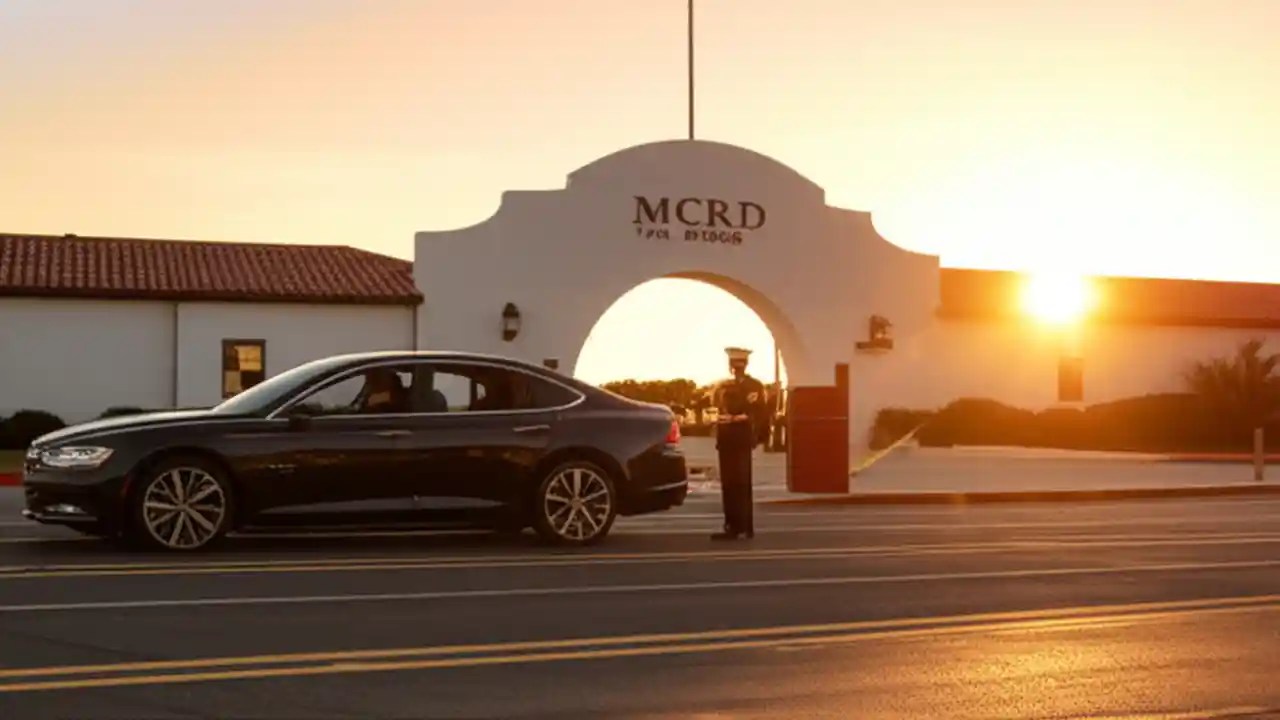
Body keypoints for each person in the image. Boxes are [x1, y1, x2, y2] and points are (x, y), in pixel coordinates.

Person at [708, 346, 768, 540]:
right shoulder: (723, 386)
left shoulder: (754, 386)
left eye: (739, 365)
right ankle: (731, 525)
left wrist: (737, 418)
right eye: (734, 365)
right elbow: (717, 407)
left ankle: (744, 526)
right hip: (725, 437)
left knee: (742, 482)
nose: (736, 369)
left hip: (741, 437)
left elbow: (756, 411)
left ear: (745, 365)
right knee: (728, 483)